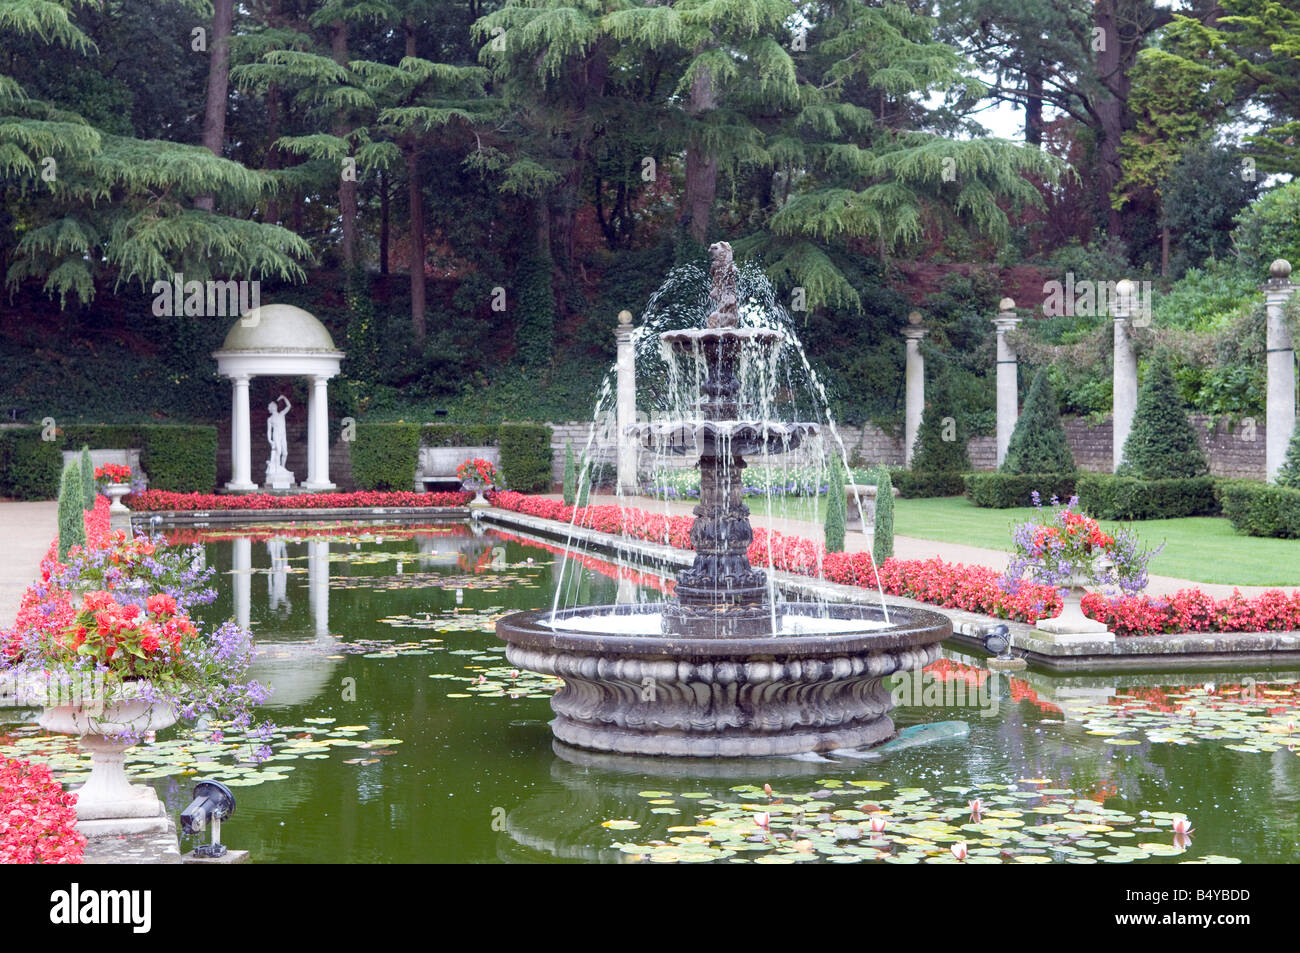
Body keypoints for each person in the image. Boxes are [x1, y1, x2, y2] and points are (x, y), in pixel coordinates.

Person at [267, 394, 291, 471]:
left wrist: (284, 397)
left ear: (273, 407)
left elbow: (289, 406)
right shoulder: (270, 419)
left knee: (285, 453)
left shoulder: (281, 414)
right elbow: (269, 431)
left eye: (269, 407)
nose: (268, 409)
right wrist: (270, 440)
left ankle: (282, 468)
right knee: (278, 451)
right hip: (276, 435)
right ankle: (277, 469)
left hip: (283, 435)